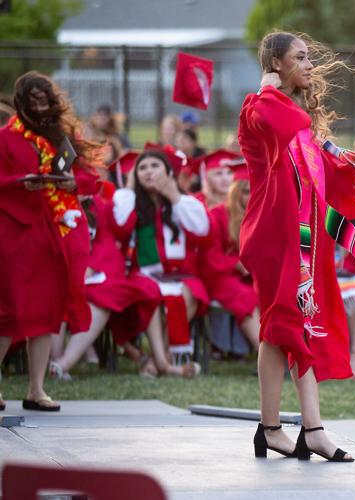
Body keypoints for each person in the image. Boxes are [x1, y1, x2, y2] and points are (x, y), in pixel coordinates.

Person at [239, 31, 355, 462]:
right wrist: (267, 86)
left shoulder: (294, 114)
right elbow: (284, 124)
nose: (309, 65)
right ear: (275, 64)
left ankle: (296, 429)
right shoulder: (258, 109)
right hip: (275, 236)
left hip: (305, 237)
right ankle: (293, 429)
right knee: (285, 326)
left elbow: (321, 174)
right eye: (299, 57)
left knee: (290, 326)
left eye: (309, 57)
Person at [0, 71, 98, 411]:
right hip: (14, 232)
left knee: (44, 310)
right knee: (8, 311)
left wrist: (73, 184)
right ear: (21, 105)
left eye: (45, 102)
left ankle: (36, 389)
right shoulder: (5, 139)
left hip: (51, 233)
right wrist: (21, 183)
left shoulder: (59, 137)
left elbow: (86, 176)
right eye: (34, 103)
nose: (41, 109)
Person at [49, 167, 198, 380]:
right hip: (60, 276)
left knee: (145, 291)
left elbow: (109, 244)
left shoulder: (98, 208)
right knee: (81, 297)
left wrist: (89, 269)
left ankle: (160, 362)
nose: (79, 191)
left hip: (98, 275)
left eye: (83, 186)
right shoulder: (50, 208)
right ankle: (59, 363)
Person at [112, 149, 211, 361]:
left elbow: (202, 231)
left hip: (177, 274)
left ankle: (162, 356)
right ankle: (163, 361)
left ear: (168, 171)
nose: (149, 172)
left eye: (155, 166)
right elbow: (120, 227)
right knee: (151, 293)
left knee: (191, 292)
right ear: (135, 176)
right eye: (142, 168)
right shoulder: (130, 201)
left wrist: (174, 196)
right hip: (143, 274)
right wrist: (129, 189)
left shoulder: (183, 201)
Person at [199, 165, 261, 354]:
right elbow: (210, 257)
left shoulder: (259, 216)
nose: (250, 196)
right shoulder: (217, 215)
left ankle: (281, 352)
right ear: (235, 193)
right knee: (245, 295)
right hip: (220, 276)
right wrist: (236, 264)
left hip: (250, 276)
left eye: (254, 190)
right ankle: (266, 354)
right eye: (245, 192)